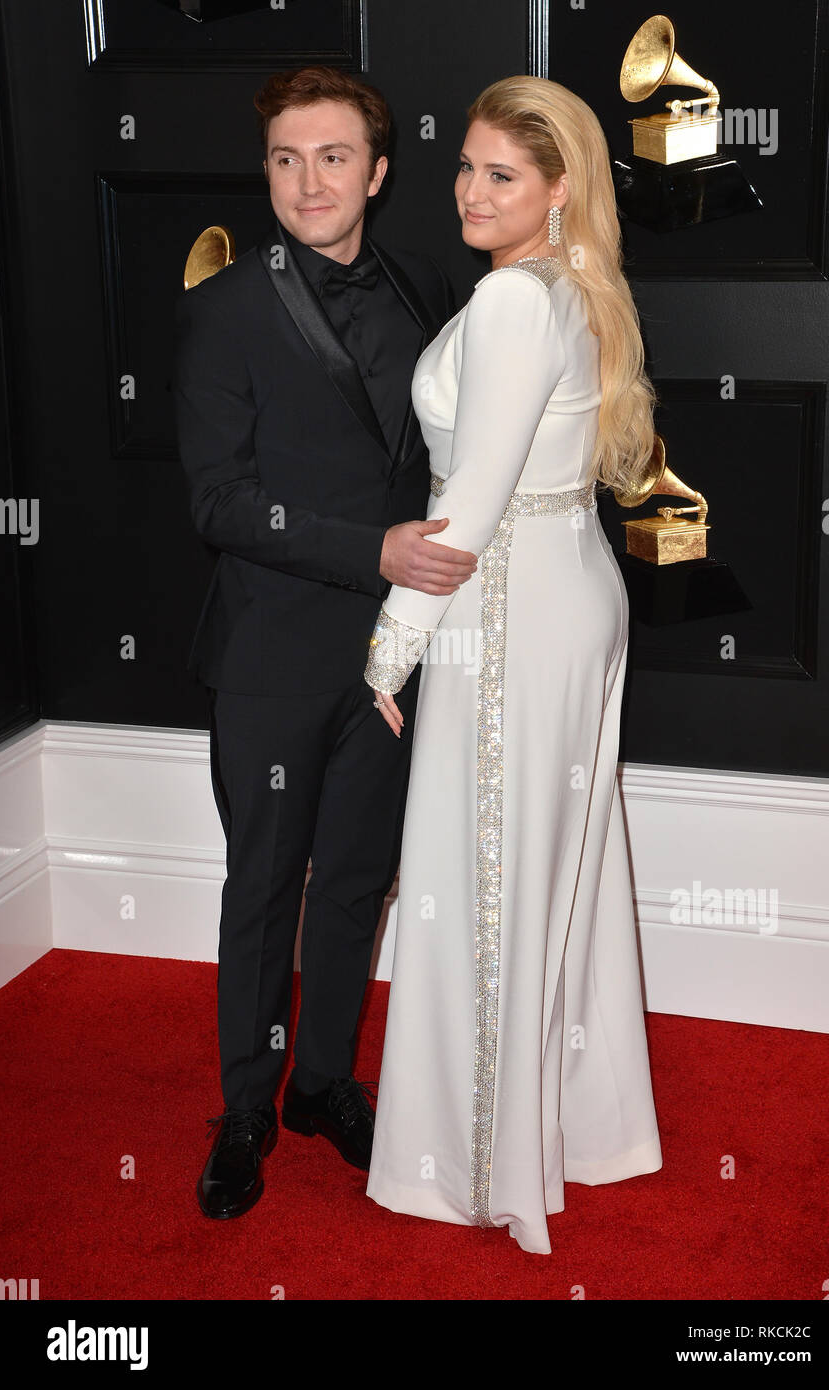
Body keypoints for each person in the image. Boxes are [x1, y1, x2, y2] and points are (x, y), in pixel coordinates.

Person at [363, 76, 664, 1255]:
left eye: (503, 174)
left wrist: (389, 653)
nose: (472, 192)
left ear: (558, 188)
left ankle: (478, 1166)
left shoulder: (509, 306)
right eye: (468, 167)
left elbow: (467, 510)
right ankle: (578, 1130)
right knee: (558, 876)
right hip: (572, 587)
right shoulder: (577, 285)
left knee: (483, 881)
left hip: (507, 607)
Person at [173, 65, 475, 1220]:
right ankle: (247, 1104)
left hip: (393, 654)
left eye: (334, 156)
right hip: (271, 652)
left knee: (356, 878)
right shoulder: (224, 307)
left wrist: (418, 606)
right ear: (268, 170)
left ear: (379, 172)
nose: (310, 180)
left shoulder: (423, 287)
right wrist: (376, 552)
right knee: (263, 886)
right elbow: (218, 503)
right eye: (288, 159)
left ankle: (324, 1082)